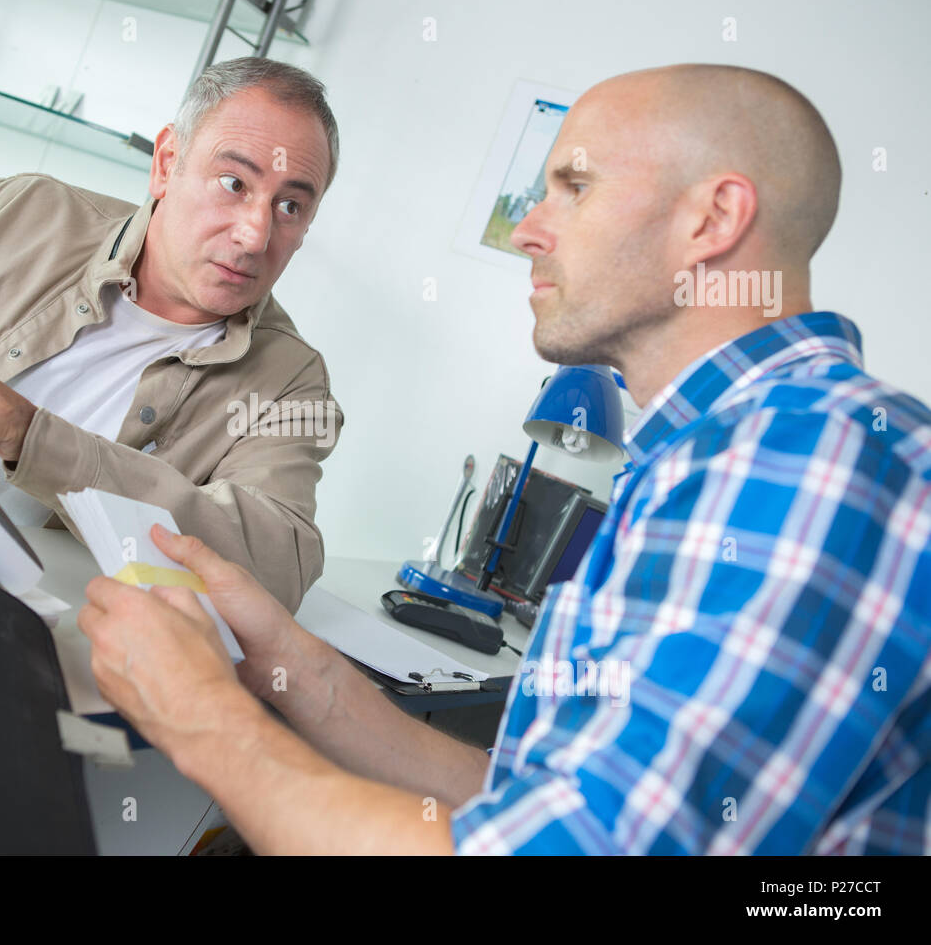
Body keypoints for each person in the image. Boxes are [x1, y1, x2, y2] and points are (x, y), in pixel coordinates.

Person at [74, 63, 931, 854]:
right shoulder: (708, 457)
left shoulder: (814, 456)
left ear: (712, 220)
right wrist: (290, 663)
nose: (528, 229)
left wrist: (206, 721)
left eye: (575, 187)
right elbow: (534, 803)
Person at [0, 58, 343, 613]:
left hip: (11, 650)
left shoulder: (291, 382)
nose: (254, 233)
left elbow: (276, 571)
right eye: (232, 182)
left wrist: (31, 436)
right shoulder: (15, 210)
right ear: (167, 163)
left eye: (290, 205)